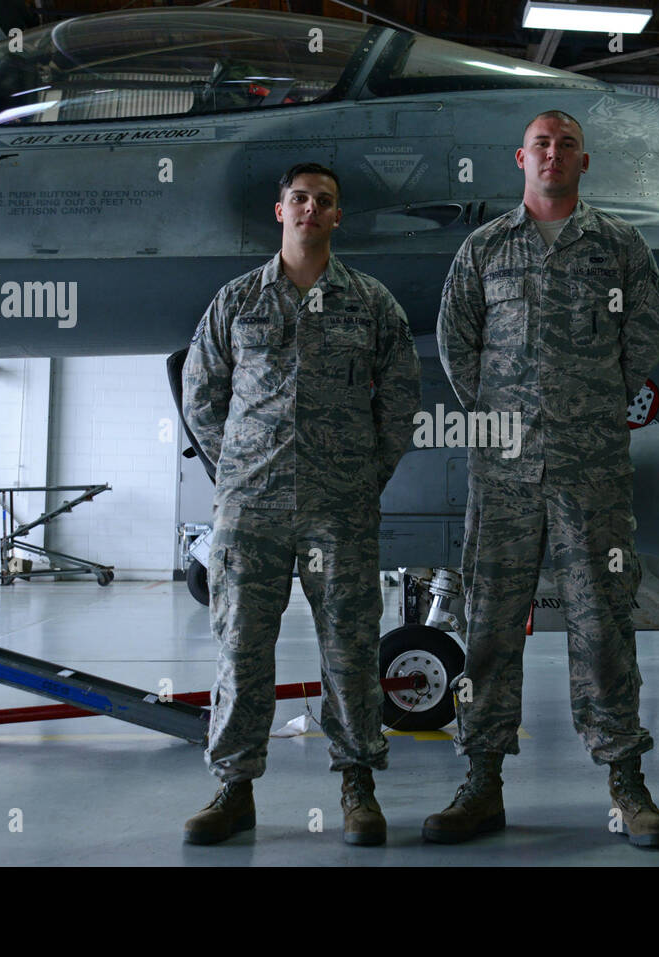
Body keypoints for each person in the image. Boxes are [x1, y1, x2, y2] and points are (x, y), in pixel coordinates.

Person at [429, 110, 659, 848]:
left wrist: (588, 406)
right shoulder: (484, 249)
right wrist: (502, 413)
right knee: (490, 624)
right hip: (503, 469)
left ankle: (626, 782)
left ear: (583, 162)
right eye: (542, 144)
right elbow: (456, 338)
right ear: (520, 158)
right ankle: (481, 781)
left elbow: (646, 335)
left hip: (590, 467)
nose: (553, 154)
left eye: (566, 145)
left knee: (604, 620)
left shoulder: (620, 247)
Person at [182, 162, 421, 846]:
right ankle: (233, 788)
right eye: (299, 198)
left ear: (336, 217)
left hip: (339, 509)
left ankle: (358, 785)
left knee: (348, 648)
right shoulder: (237, 301)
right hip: (248, 509)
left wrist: (364, 475)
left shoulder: (370, 303)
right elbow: (202, 398)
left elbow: (400, 399)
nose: (310, 207)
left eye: (324, 200)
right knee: (240, 648)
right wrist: (236, 470)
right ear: (279, 210)